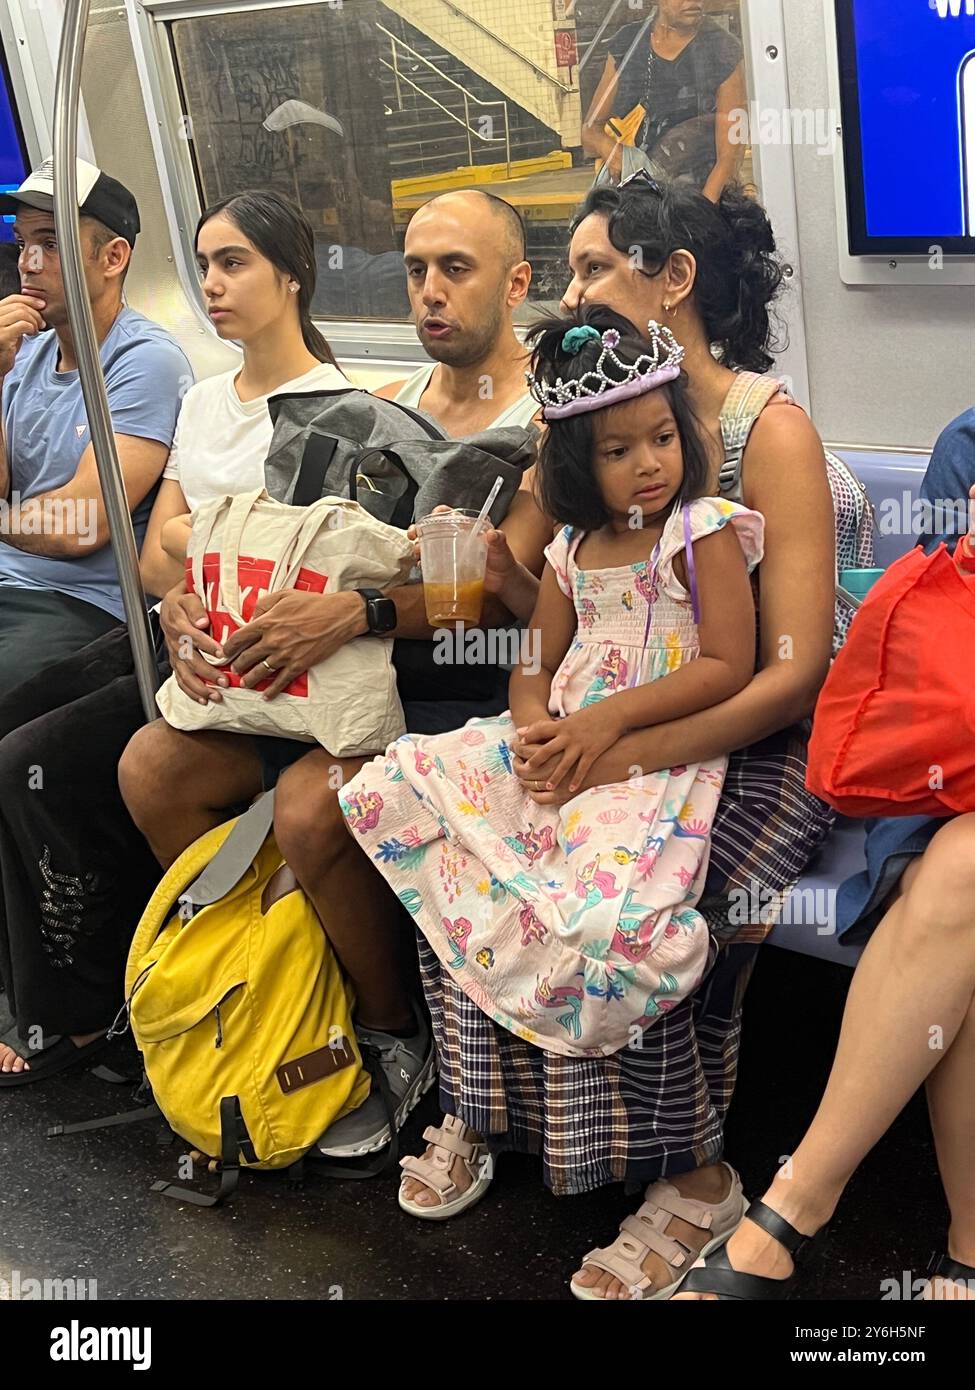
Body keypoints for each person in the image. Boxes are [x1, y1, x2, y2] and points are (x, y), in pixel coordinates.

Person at [388, 174, 862, 1299]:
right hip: (612, 708)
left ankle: (690, 1170)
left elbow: (783, 678)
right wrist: (491, 586)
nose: (574, 291)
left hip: (761, 728)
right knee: (476, 843)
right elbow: (534, 603)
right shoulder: (588, 421)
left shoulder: (757, 438)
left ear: (675, 280)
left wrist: (613, 748)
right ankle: (490, 1109)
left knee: (651, 894)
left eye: (595, 268)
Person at [119, 189, 554, 1151]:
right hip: (343, 677)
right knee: (153, 767)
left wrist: (353, 612)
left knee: (320, 806)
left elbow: (478, 598)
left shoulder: (543, 427)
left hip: (464, 684)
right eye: (415, 270)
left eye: (457, 269)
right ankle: (279, 973)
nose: (429, 293)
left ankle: (392, 1027)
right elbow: (278, 545)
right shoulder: (381, 408)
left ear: (518, 283)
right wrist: (196, 600)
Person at [341, 305, 764, 1214]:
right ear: (577, 467)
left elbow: (728, 665)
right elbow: (537, 654)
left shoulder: (705, 532)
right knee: (404, 782)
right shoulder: (573, 549)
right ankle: (475, 1099)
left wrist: (600, 728)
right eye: (619, 451)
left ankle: (658, 1148)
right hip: (562, 741)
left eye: (661, 438)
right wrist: (531, 725)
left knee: (593, 917)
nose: (649, 463)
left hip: (649, 758)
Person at [0, 190, 347, 1084]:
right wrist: (201, 559)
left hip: (253, 652)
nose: (211, 285)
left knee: (38, 755)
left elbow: (292, 562)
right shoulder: (203, 402)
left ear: (292, 278)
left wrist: (202, 549)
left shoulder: (336, 408)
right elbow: (161, 560)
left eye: (232, 264)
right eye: (203, 266)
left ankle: (92, 1003)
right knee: (19, 740)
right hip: (178, 622)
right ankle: (57, 998)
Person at [672, 427, 975, 1302]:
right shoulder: (968, 443)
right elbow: (926, 666)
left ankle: (794, 1208)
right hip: (951, 781)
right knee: (958, 871)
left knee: (962, 880)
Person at [0, 156, 190, 694]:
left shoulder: (145, 362)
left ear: (112, 257)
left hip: (80, 604)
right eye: (22, 244)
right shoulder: (24, 355)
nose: (28, 264)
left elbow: (78, 524)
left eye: (51, 244)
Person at [582, 2, 746, 200]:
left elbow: (729, 160)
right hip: (639, 197)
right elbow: (590, 131)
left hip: (696, 194)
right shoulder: (628, 44)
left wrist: (702, 216)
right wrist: (616, 154)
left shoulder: (721, 49)